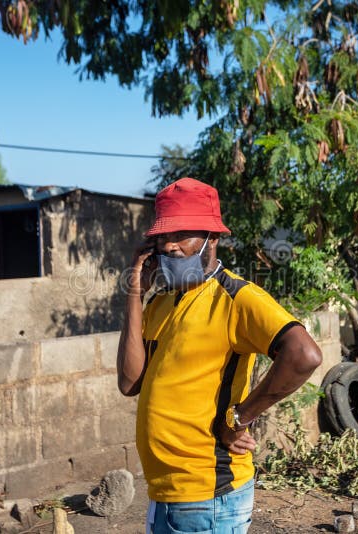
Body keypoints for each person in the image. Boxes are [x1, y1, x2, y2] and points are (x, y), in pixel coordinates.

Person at [117, 177, 323, 534]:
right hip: (164, 495)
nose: (170, 246)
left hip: (209, 499)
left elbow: (303, 354)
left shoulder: (236, 298)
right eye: (162, 237)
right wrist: (135, 292)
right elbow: (129, 382)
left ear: (212, 238)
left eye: (182, 235)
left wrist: (239, 418)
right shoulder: (162, 301)